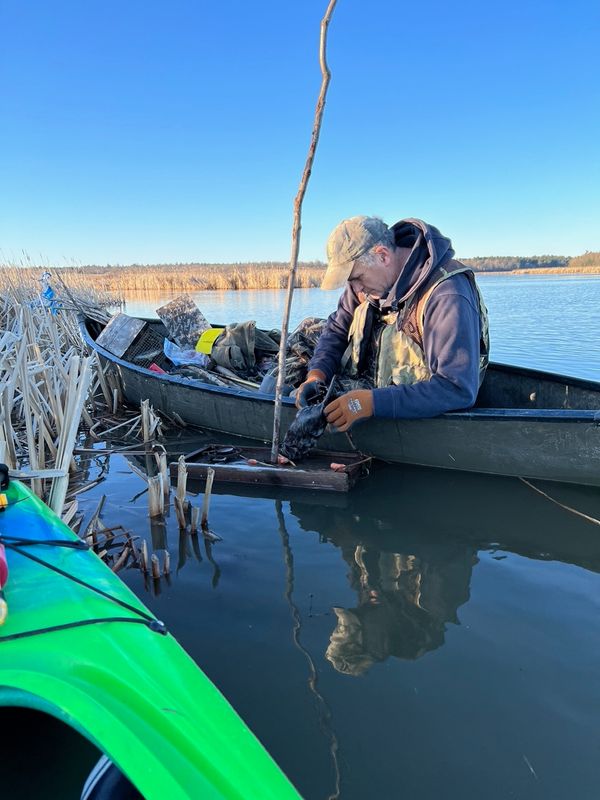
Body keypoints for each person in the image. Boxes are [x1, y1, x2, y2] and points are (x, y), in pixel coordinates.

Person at [295, 216, 489, 431]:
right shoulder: (365, 282)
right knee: (306, 333)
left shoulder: (447, 294)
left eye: (357, 277)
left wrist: (370, 403)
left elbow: (456, 389)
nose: (356, 288)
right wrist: (317, 375)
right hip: (374, 383)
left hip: (418, 401)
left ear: (383, 255)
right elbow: (337, 330)